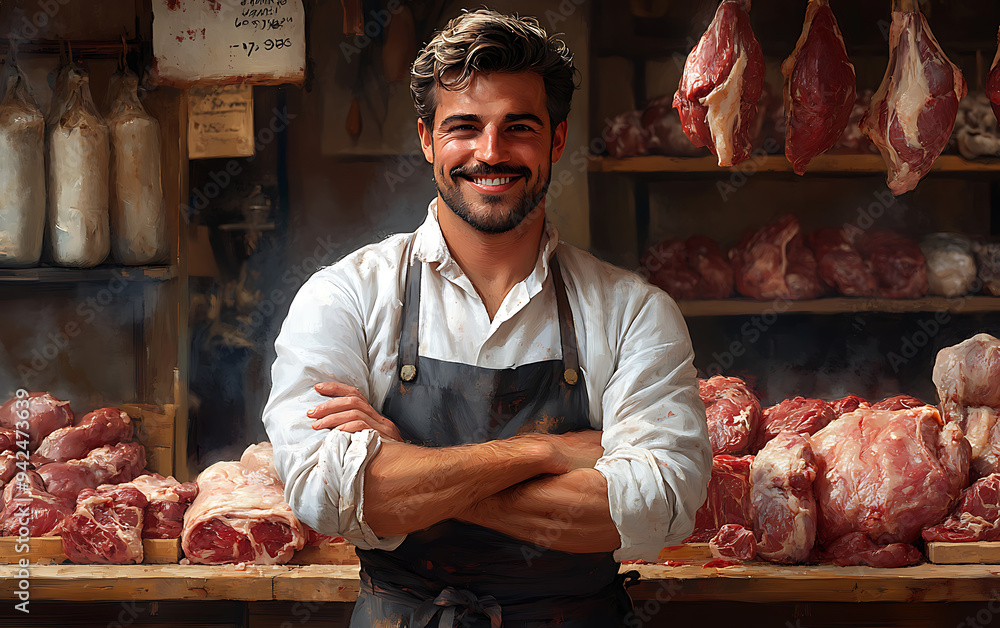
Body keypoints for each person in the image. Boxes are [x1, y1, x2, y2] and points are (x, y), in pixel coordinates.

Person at [263, 8, 710, 627]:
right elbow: (332, 497)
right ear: (427, 139)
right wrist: (547, 453)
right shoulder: (344, 296)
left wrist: (409, 464)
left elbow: (652, 508)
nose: (491, 153)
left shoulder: (634, 313)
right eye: (464, 127)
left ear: (556, 139)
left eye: (518, 127)